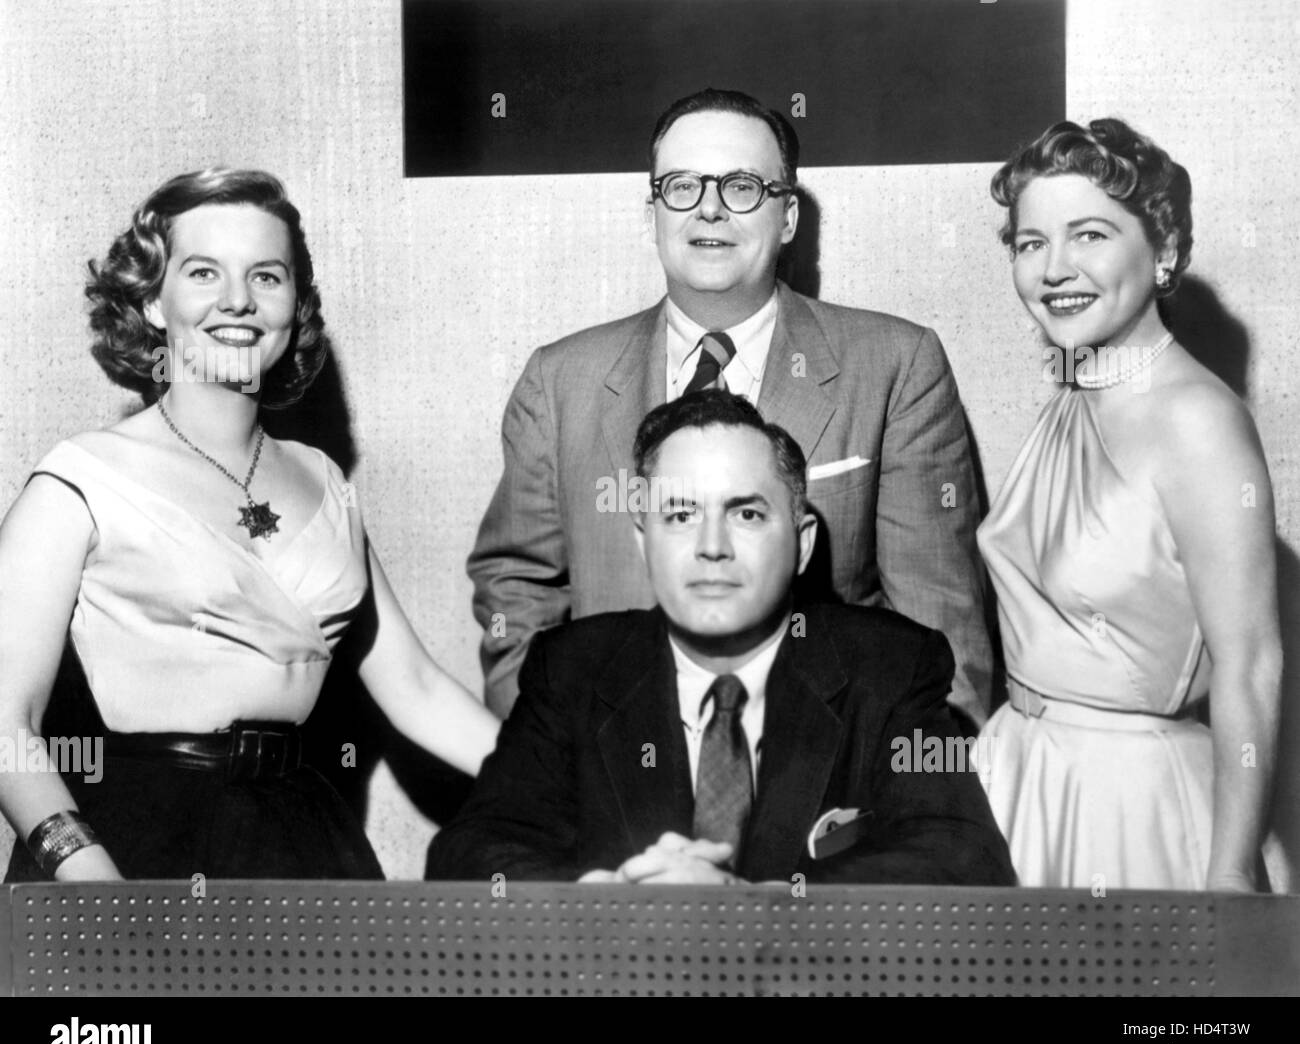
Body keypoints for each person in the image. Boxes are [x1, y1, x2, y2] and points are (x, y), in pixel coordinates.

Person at [0, 167, 499, 881]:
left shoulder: (325, 482)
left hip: (302, 838)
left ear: (295, 304)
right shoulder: (79, 478)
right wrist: (88, 877)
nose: (238, 299)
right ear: (152, 300)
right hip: (128, 844)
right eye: (204, 272)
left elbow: (417, 689)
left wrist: (566, 792)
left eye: (266, 276)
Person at [468, 87, 993, 730]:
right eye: (682, 186)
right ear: (653, 214)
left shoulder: (896, 366)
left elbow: (940, 629)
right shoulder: (558, 382)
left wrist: (914, 778)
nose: (709, 209)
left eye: (742, 186)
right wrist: (549, 751)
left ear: (788, 217)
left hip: (826, 767)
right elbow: (515, 589)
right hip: (612, 766)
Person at [428, 391, 1015, 886]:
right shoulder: (571, 668)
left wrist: (751, 910)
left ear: (803, 543)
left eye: (746, 514)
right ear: (642, 541)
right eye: (680, 516)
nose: (712, 546)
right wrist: (601, 903)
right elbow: (469, 851)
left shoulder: (892, 667)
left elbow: (963, 857)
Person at [977, 120, 1281, 891]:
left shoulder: (1197, 421)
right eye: (1031, 242)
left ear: (1165, 248)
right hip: (1019, 772)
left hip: (1128, 805)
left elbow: (1251, 663)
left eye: (1090, 234)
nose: (1055, 269)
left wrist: (1232, 875)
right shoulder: (1076, 388)